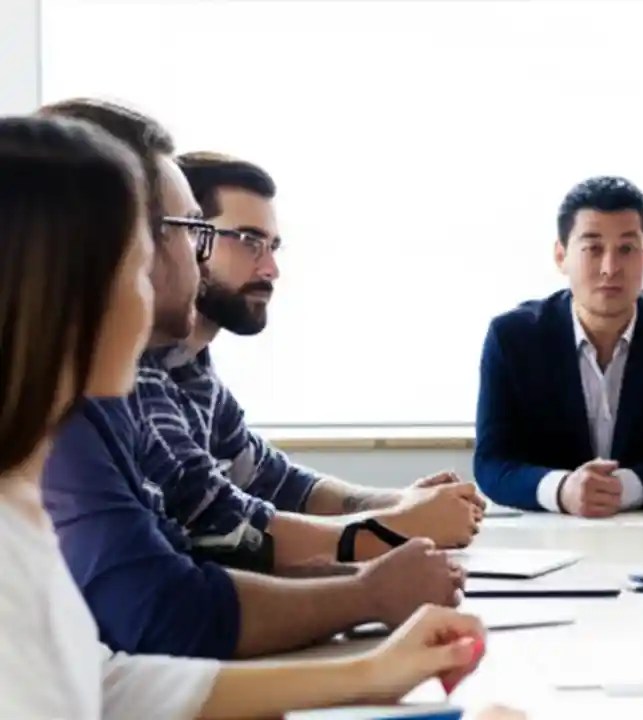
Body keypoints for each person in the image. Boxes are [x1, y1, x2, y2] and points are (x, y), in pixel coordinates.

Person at [0, 113, 489, 720]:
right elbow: (159, 606)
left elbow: (103, 685)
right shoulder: (70, 445)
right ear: (72, 285)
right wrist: (369, 578)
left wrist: (372, 675)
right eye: (141, 258)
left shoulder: (36, 468)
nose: (158, 281)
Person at [135, 150, 481, 563]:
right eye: (249, 242)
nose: (270, 269)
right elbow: (219, 519)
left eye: (272, 246)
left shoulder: (192, 366)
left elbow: (274, 481)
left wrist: (400, 502)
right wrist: (400, 526)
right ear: (189, 236)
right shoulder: (137, 368)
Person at [474, 176, 643, 516]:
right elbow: (491, 464)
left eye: (627, 249)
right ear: (561, 256)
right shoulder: (513, 337)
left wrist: (618, 489)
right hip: (544, 538)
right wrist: (562, 490)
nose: (610, 268)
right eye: (592, 248)